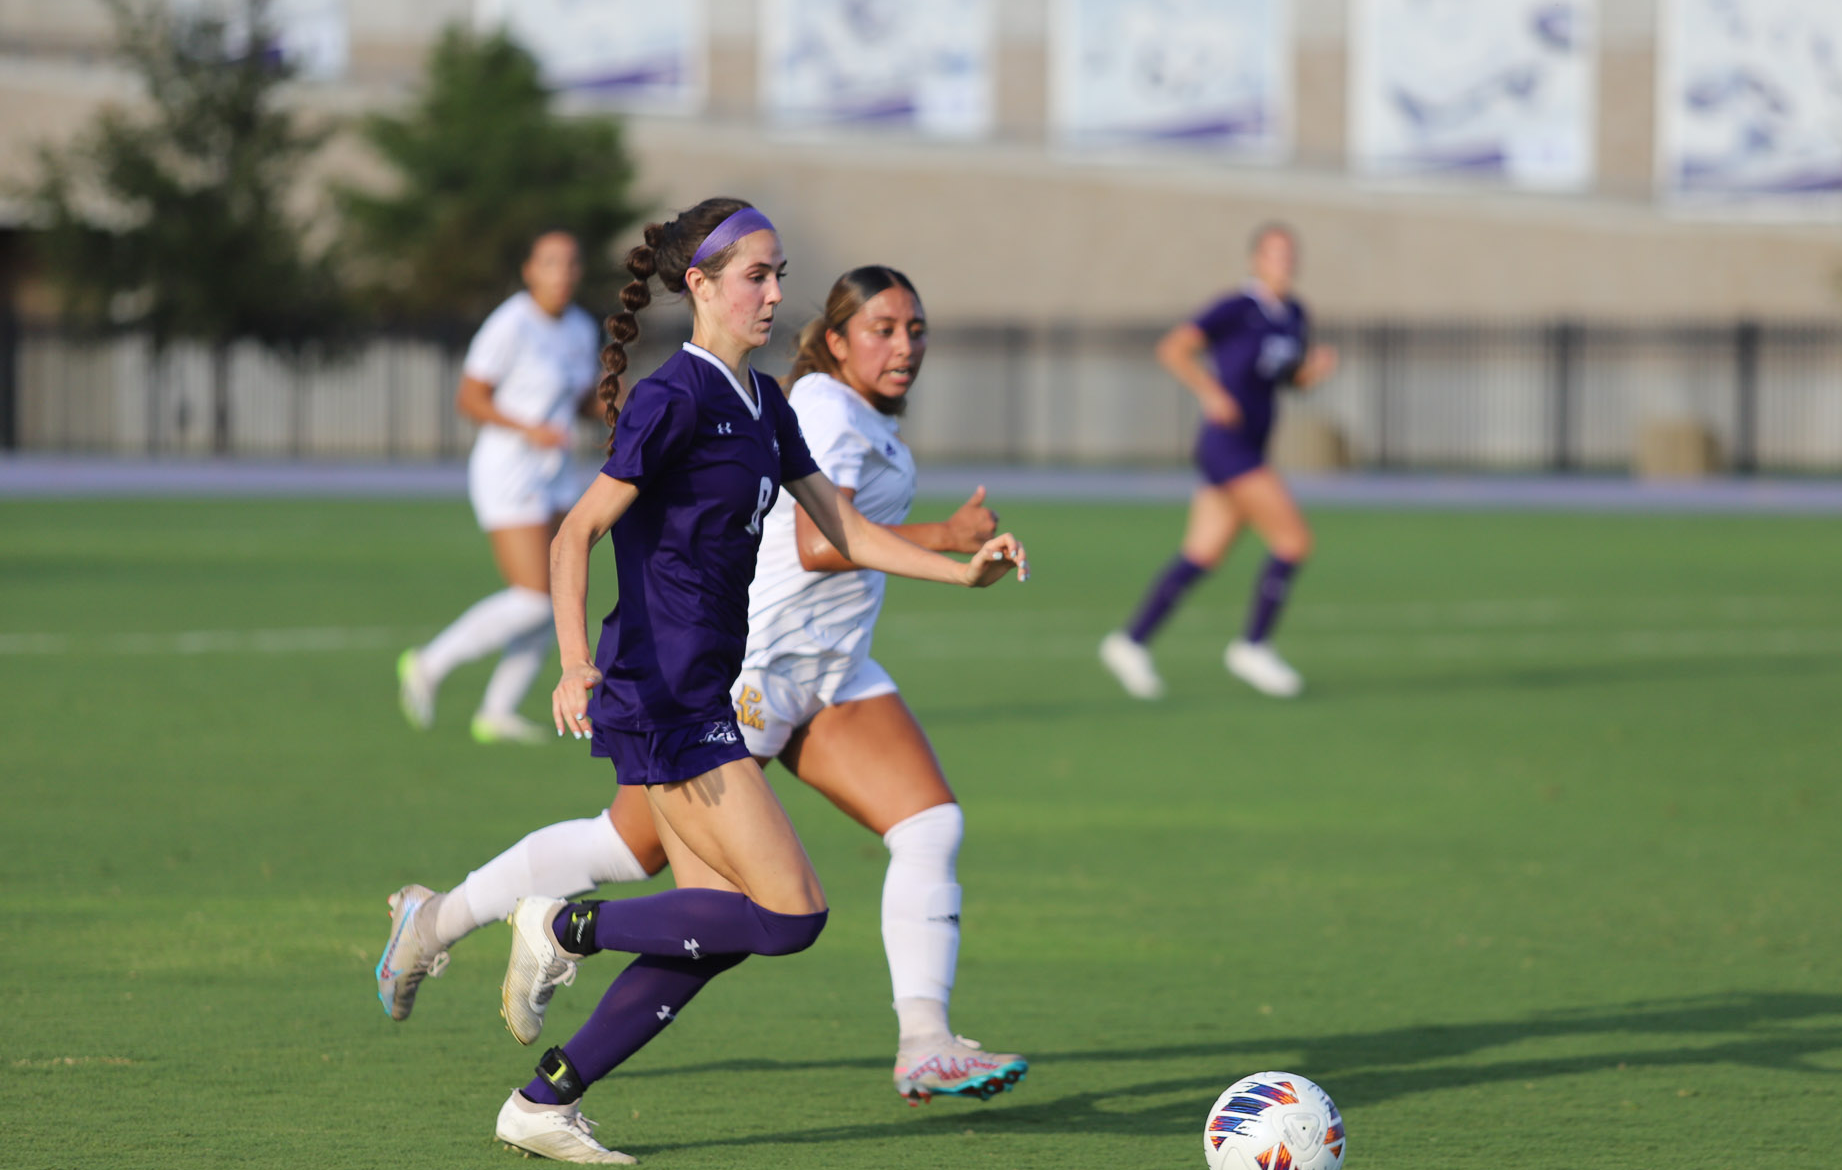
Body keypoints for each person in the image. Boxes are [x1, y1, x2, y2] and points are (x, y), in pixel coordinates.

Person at [374, 266, 1030, 1110]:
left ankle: (925, 1041)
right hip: (757, 671)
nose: (905, 345)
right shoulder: (819, 408)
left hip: (831, 668)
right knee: (643, 860)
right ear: (834, 338)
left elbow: (845, 527)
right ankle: (448, 928)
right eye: (883, 328)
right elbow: (824, 543)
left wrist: (953, 557)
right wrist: (945, 541)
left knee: (929, 823)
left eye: (916, 328)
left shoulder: (816, 409)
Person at [1099, 222, 1336, 700]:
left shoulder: (1293, 314)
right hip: (1228, 446)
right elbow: (1174, 349)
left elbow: (1287, 379)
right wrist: (1211, 393)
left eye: (1290, 255)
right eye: (1274, 254)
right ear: (1255, 260)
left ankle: (1130, 642)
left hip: (1252, 444)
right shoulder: (1236, 308)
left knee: (1203, 554)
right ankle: (1253, 646)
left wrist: (1312, 375)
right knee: (1293, 541)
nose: (1284, 263)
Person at [396, 230, 601, 744]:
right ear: (530, 270)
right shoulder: (511, 323)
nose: (563, 273)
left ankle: (497, 711)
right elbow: (470, 398)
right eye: (551, 263)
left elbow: (579, 401)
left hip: (555, 472)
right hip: (510, 471)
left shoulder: (579, 327)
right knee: (534, 595)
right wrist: (529, 429)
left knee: (556, 593)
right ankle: (429, 662)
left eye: (572, 263)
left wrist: (635, 413)